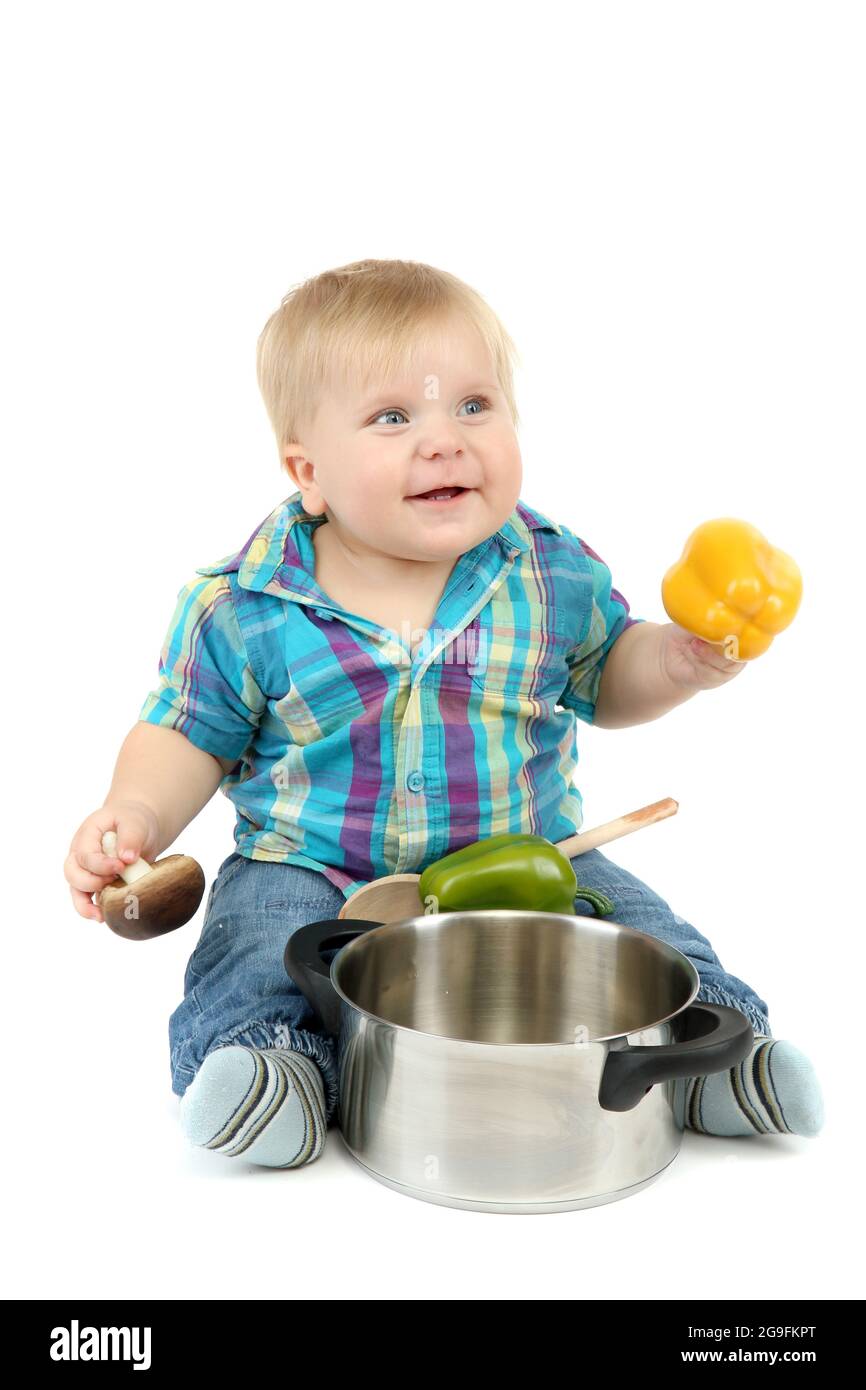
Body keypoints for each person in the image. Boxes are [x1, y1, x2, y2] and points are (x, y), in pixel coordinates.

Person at [64, 258, 824, 1169]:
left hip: (533, 861)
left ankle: (713, 1058)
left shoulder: (545, 570)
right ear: (309, 472)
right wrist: (136, 813)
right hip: (313, 869)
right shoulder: (246, 607)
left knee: (644, 933)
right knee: (253, 947)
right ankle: (274, 1071)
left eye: (474, 406)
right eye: (394, 417)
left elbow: (608, 675)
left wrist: (676, 661)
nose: (445, 441)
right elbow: (188, 732)